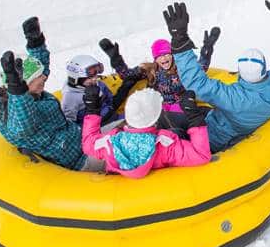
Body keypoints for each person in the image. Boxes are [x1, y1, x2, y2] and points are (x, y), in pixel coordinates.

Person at [162, 0, 270, 152]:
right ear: (264, 68)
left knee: (166, 121)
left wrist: (180, 40)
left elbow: (195, 83)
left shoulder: (234, 98)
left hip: (213, 139)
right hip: (229, 126)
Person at [0, 17, 103, 172]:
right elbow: (23, 119)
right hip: (80, 160)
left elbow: (39, 68)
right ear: (25, 86)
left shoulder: (34, 94)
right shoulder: (15, 120)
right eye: (39, 77)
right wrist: (16, 86)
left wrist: (35, 41)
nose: (44, 77)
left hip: (83, 139)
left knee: (124, 129)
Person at [98, 27, 220, 135]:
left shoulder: (181, 68)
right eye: (160, 56)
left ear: (172, 55)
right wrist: (115, 58)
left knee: (214, 115)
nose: (164, 58)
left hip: (182, 109)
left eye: (167, 54)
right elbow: (126, 75)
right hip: (159, 113)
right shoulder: (150, 70)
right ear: (155, 58)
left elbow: (200, 68)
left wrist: (207, 48)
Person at [80, 86, 212, 178]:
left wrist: (92, 110)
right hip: (157, 196)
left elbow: (88, 144)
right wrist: (194, 117)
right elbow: (201, 155)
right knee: (177, 131)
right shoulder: (165, 145)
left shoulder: (110, 143)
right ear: (156, 119)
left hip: (121, 192)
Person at [60, 54, 113, 124]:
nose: (95, 79)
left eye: (96, 75)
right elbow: (71, 125)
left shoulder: (98, 84)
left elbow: (110, 101)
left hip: (111, 117)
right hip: (96, 128)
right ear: (77, 79)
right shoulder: (70, 99)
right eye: (89, 78)